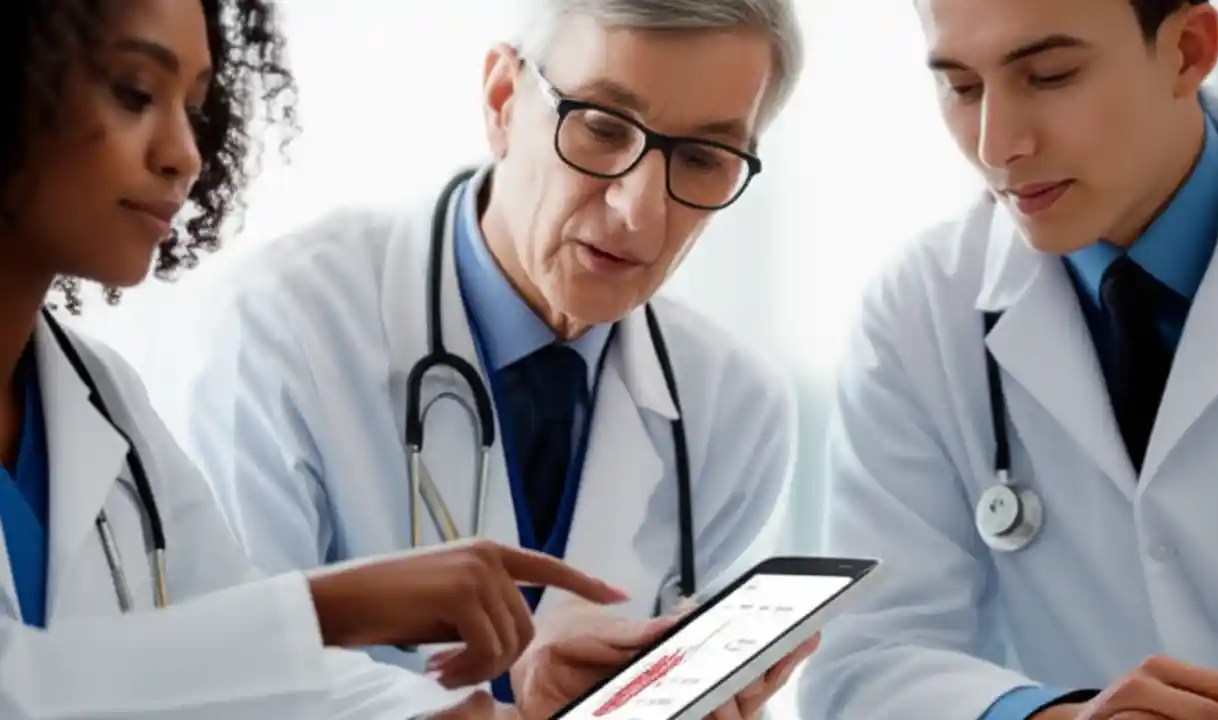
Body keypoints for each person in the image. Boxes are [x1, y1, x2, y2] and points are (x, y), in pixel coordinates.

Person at [141, 0, 814, 715]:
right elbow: (228, 677)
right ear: (502, 100)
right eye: (602, 127)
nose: (640, 211)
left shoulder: (733, 408)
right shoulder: (285, 327)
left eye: (703, 158)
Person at [0, 1, 649, 718]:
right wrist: (332, 606)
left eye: (196, 106)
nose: (184, 153)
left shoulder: (100, 400)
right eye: (134, 93)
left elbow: (244, 671)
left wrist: (463, 714)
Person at [799, 0, 1218, 718]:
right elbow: (865, 665)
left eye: (1050, 76)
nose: (997, 146)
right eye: (962, 87)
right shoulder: (921, 309)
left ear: (1186, 50)